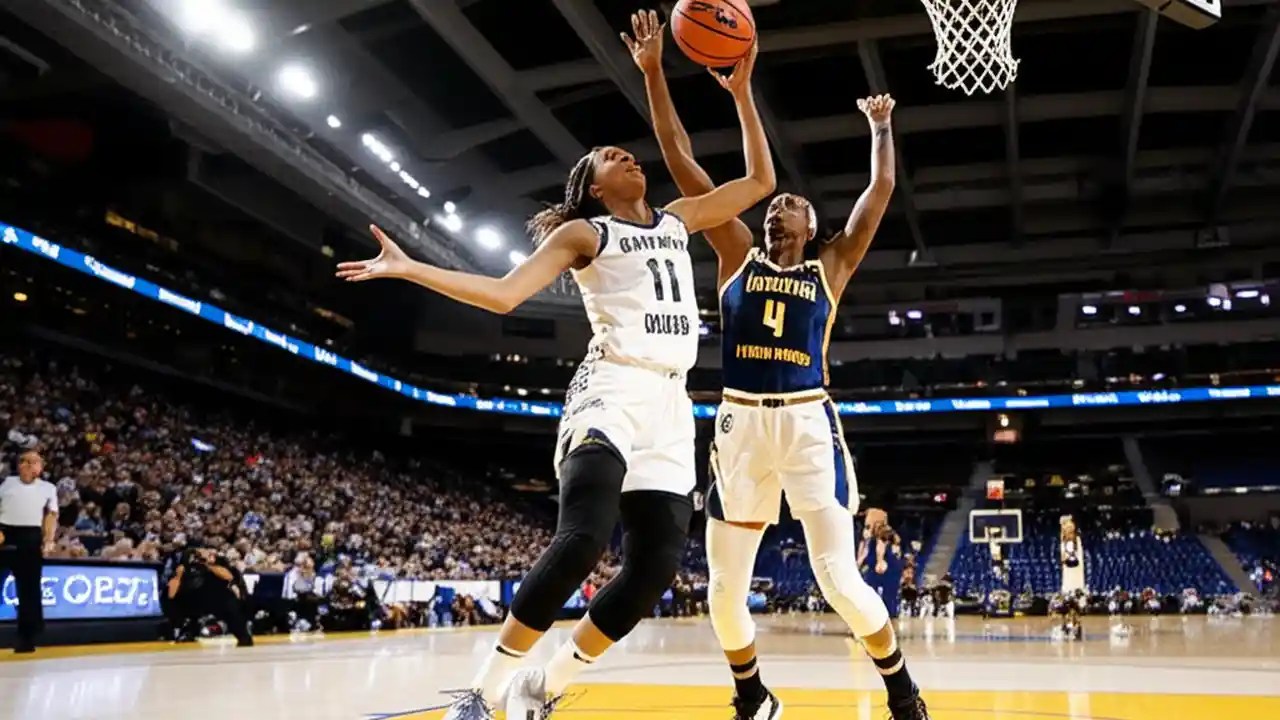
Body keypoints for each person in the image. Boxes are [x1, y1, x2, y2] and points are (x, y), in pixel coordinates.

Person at [334, 22, 776, 717]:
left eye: (627, 151)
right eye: (609, 155)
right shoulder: (585, 233)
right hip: (611, 389)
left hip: (670, 406)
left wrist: (731, 93)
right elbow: (505, 294)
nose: (626, 156)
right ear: (592, 188)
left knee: (656, 567)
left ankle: (551, 680)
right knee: (581, 538)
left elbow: (759, 181)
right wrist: (409, 266)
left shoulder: (676, 221)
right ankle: (484, 693)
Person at [624, 10, 928, 719]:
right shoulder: (735, 254)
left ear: (814, 227)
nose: (779, 206)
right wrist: (654, 75)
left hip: (807, 424)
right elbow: (679, 159)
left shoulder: (833, 266)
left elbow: (879, 194)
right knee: (723, 592)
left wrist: (881, 128)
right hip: (738, 427)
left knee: (837, 577)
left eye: (793, 203)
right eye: (775, 201)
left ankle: (902, 691)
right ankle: (752, 695)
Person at [0, 450, 57, 653]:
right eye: (23, 461)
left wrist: (49, 539)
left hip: (30, 536)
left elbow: (51, 515)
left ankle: (27, 637)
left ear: (40, 467)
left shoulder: (48, 488)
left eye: (32, 462)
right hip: (4, 533)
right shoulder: (6, 483)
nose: (26, 465)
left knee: (29, 590)